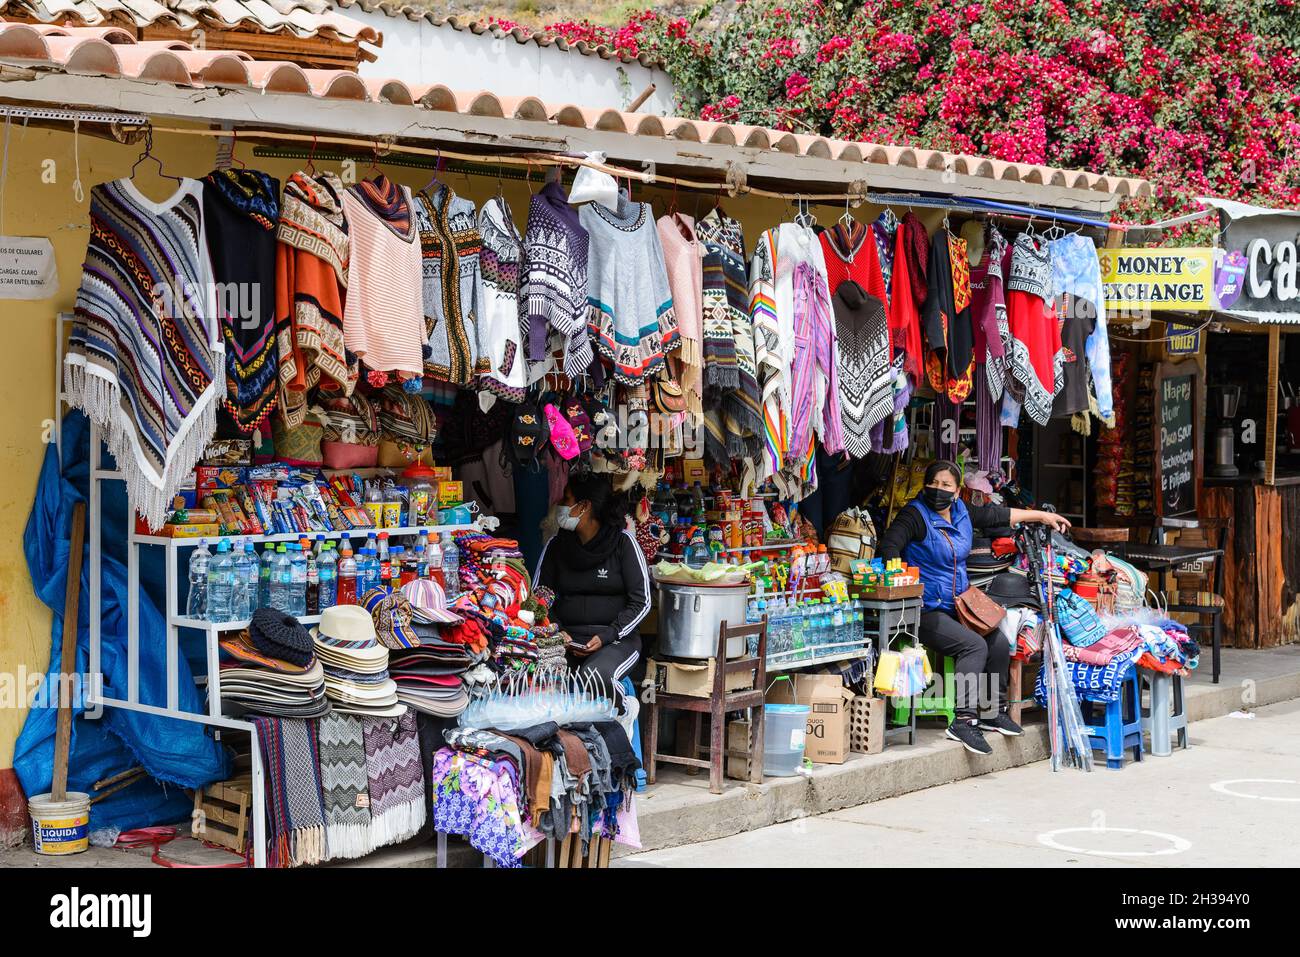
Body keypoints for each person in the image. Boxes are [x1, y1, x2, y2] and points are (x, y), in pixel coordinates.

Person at [878, 460, 1070, 755]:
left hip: (958, 603)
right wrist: (900, 577)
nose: (939, 490)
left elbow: (999, 514)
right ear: (925, 485)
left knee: (998, 642)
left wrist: (1043, 516)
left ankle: (992, 712)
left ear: (957, 492)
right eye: (934, 483)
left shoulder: (961, 512)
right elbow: (890, 544)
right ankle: (963, 721)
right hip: (925, 609)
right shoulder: (915, 515)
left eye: (946, 485)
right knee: (973, 646)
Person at [534, 473, 650, 713]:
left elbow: (642, 602)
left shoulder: (624, 544)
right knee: (538, 677)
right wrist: (558, 631)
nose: (560, 506)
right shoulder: (556, 546)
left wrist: (609, 635)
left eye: (566, 499)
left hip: (616, 642)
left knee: (595, 677)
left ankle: (626, 712)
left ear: (584, 507)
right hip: (566, 642)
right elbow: (539, 598)